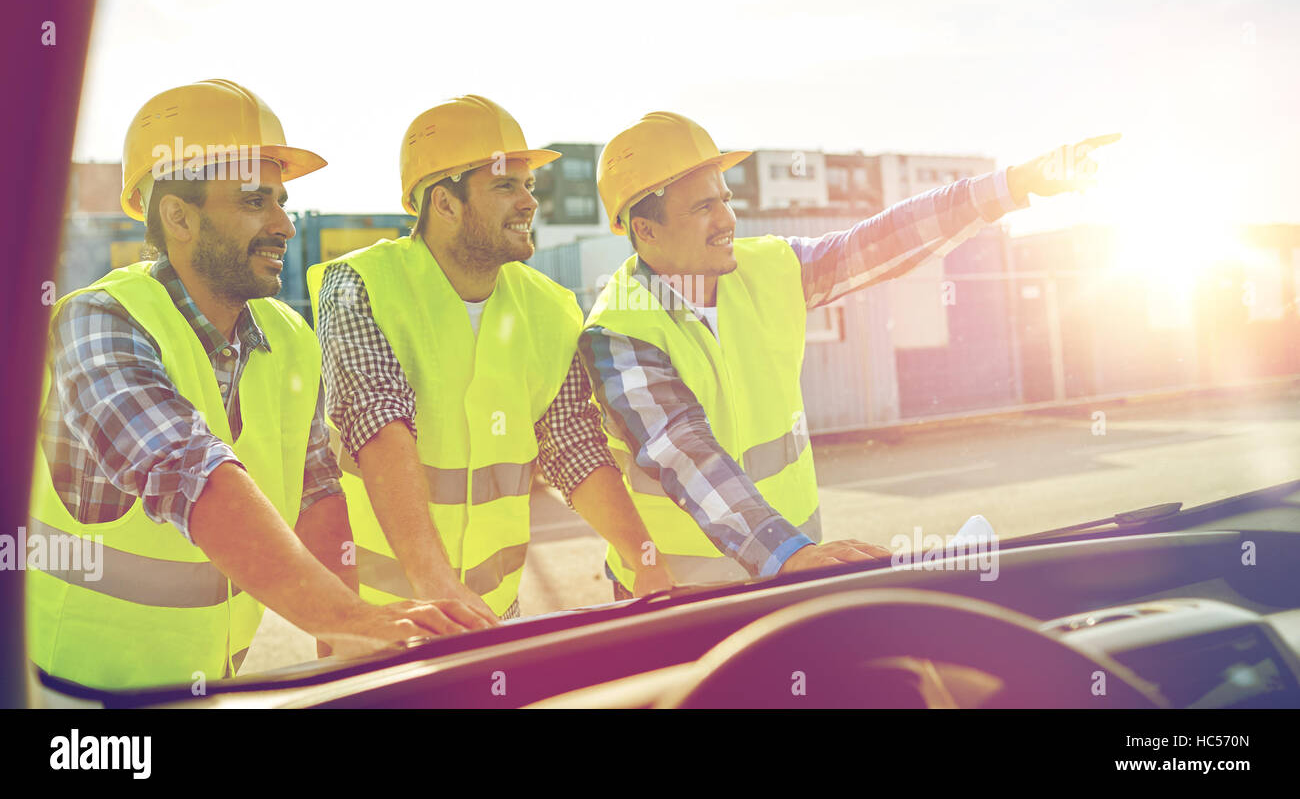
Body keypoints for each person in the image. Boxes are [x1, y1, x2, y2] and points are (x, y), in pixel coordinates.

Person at [27, 79, 488, 692]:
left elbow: (316, 491)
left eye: (281, 200)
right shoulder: (97, 322)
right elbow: (187, 469)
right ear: (178, 216)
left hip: (211, 687)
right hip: (73, 703)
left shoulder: (288, 336)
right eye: (254, 201)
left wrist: (341, 648)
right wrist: (348, 616)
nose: (283, 224)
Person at [581, 110, 1118, 597]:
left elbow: (879, 242)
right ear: (645, 230)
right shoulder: (618, 329)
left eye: (725, 197)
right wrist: (787, 555)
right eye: (703, 207)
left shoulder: (768, 269)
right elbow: (684, 452)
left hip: (789, 571)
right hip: (681, 598)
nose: (727, 219)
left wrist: (1012, 186)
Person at [307, 95, 670, 621]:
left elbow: (570, 443)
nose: (529, 202)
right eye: (505, 185)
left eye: (529, 186)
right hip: (381, 616)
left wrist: (645, 560)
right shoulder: (361, 284)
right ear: (445, 203)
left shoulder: (548, 307)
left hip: (497, 611)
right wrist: (436, 585)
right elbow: (377, 420)